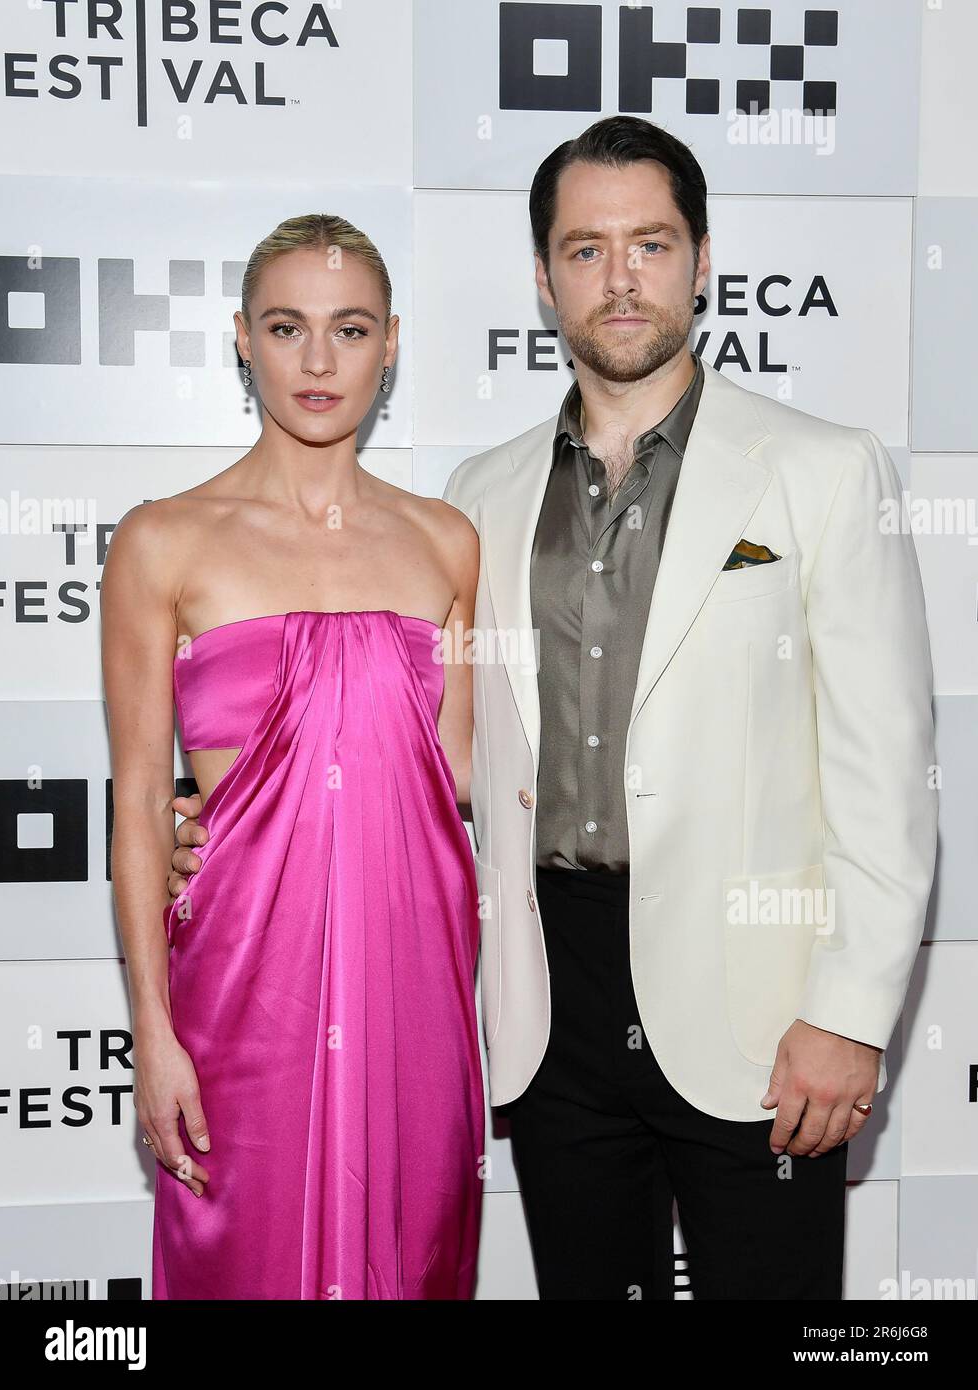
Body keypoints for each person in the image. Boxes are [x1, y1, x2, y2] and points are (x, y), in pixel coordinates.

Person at [170, 118, 938, 1301]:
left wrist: (847, 1012)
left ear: (700, 260)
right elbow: (433, 754)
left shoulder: (821, 469)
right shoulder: (481, 494)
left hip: (757, 1011)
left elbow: (887, 771)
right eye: (584, 250)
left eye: (649, 245)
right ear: (542, 277)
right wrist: (219, 814)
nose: (618, 277)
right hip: (542, 1003)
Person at [103, 213, 484, 1300]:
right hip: (241, 990)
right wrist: (151, 1029)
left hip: (413, 987)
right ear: (241, 339)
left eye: (350, 329)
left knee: (410, 1260)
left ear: (392, 343)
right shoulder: (163, 539)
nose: (319, 362)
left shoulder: (444, 541)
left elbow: (450, 784)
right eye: (287, 327)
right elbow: (136, 802)